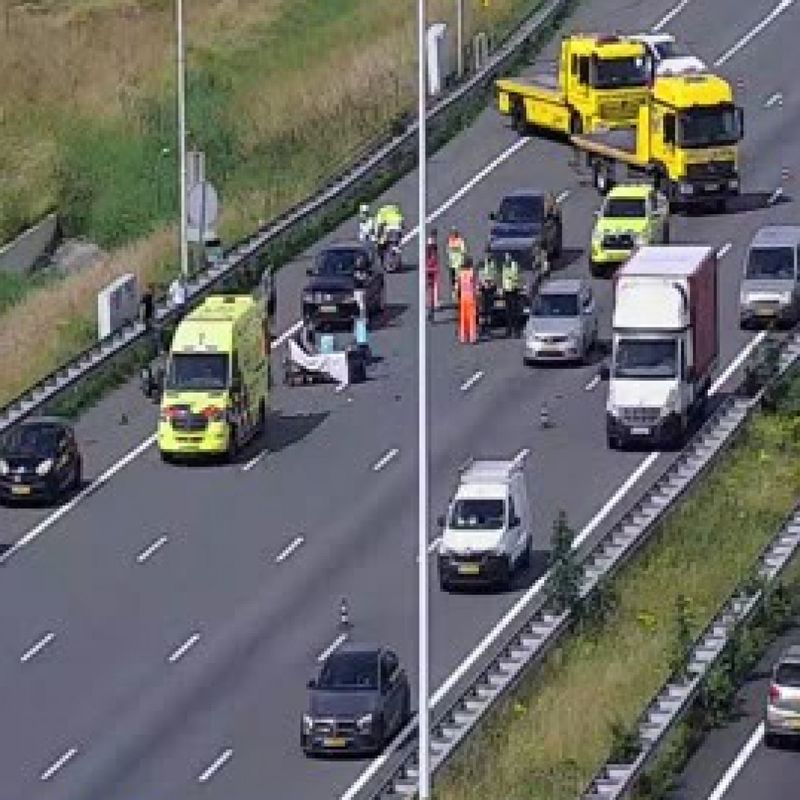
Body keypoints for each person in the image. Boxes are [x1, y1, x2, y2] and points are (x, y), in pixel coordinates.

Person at [501, 252, 522, 338]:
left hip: (513, 290)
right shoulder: (504, 266)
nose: (507, 260)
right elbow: (503, 277)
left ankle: (516, 330)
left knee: (514, 311)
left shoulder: (514, 265)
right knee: (507, 312)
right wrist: (502, 288)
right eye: (506, 258)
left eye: (508, 258)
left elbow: (515, 276)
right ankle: (509, 330)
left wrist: (509, 277)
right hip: (506, 290)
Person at [457, 257, 478, 344]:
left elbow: (458, 286)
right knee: (471, 318)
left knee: (463, 317)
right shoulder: (472, 273)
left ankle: (463, 337)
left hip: (463, 297)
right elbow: (475, 286)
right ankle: (472, 337)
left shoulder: (460, 274)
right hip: (471, 297)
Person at [478, 251, 498, 338]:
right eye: (488, 254)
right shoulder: (482, 264)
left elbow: (495, 275)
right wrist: (484, 283)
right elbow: (479, 276)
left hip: (491, 289)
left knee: (489, 311)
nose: (489, 255)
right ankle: (482, 329)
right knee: (482, 311)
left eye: (490, 254)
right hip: (483, 289)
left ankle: (488, 329)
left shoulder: (493, 264)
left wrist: (492, 283)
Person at [447, 226, 466, 302]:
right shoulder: (450, 240)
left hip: (459, 263)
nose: (453, 234)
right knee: (453, 280)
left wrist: (455, 249)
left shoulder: (460, 241)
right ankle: (454, 293)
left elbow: (463, 251)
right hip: (452, 263)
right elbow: (448, 251)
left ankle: (458, 293)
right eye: (452, 232)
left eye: (454, 232)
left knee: (458, 279)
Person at [425, 228, 440, 319]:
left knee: (430, 287)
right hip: (431, 268)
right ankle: (431, 304)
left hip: (430, 268)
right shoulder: (431, 245)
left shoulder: (430, 244)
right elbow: (430, 256)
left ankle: (430, 304)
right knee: (432, 287)